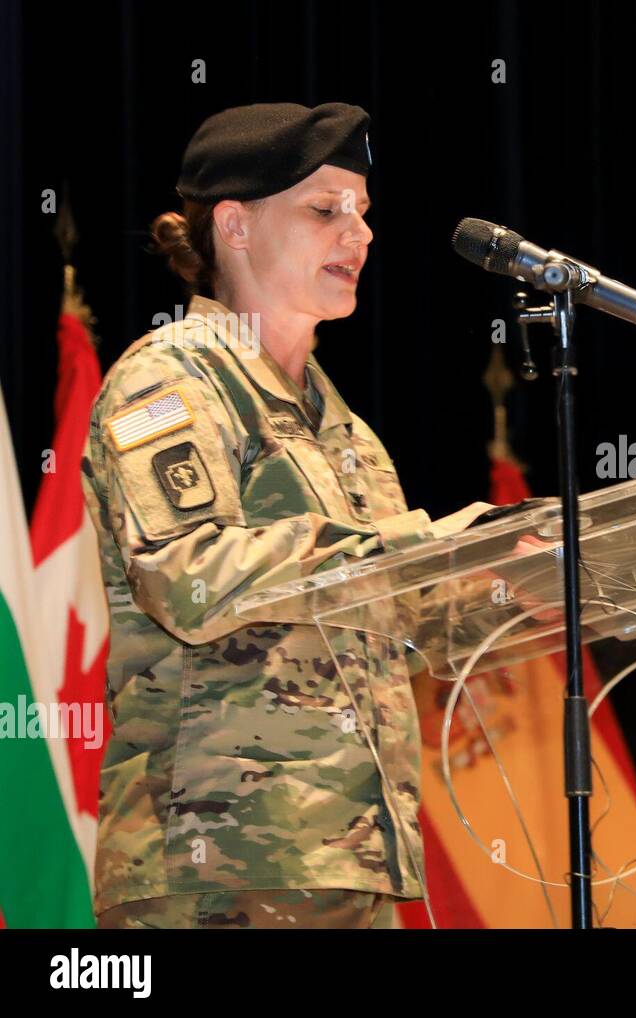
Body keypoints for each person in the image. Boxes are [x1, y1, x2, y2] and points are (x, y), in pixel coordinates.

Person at [83, 101, 491, 928]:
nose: (361, 234)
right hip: (219, 868)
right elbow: (189, 580)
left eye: (363, 213)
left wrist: (514, 578)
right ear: (234, 226)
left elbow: (395, 616)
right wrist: (412, 544)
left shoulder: (341, 425)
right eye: (324, 211)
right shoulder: (170, 380)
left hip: (350, 862)